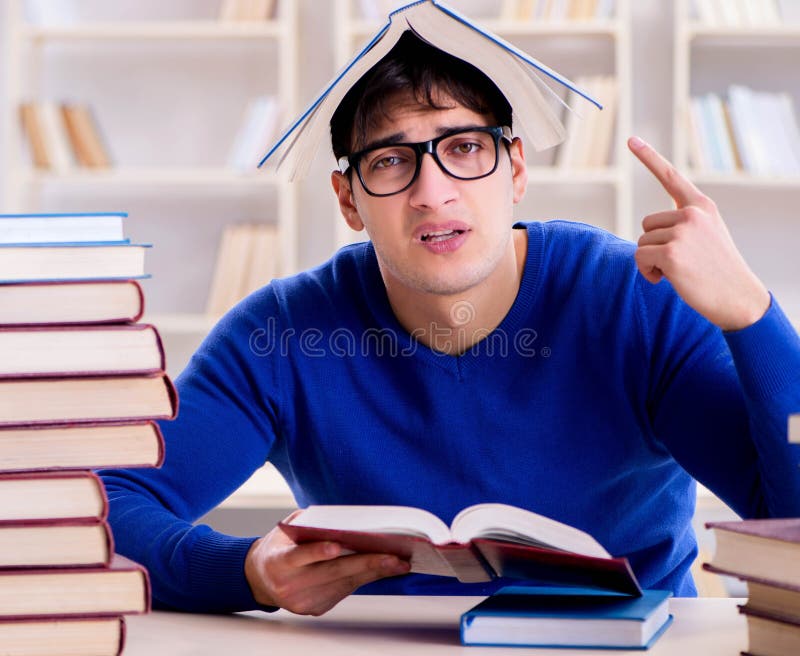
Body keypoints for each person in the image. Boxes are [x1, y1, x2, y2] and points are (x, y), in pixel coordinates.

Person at [100, 32, 800, 617]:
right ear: (349, 199)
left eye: (464, 147)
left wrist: (753, 314)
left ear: (516, 166)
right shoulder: (285, 332)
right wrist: (244, 571)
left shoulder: (635, 302)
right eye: (391, 162)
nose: (432, 194)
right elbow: (101, 513)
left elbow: (792, 526)